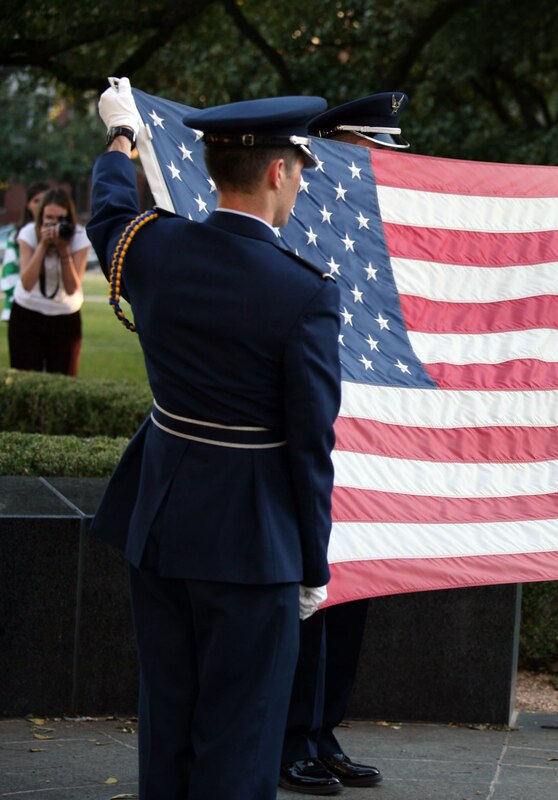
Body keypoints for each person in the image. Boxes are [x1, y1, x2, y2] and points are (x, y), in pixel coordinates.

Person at [87, 78, 341, 799]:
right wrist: (314, 566)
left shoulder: (153, 247)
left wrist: (120, 138)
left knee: (168, 722)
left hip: (161, 521)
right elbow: (309, 445)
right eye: (297, 172)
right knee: (241, 736)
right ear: (275, 172)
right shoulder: (305, 292)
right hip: (252, 545)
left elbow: (108, 212)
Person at [275, 91, 409, 796]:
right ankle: (290, 736)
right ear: (329, 150)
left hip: (372, 434)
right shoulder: (304, 217)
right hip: (314, 432)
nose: (380, 164)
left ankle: (323, 730)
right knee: (310, 589)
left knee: (351, 595)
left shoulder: (379, 228)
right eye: (370, 148)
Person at [10, 185, 90, 374]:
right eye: (49, 219)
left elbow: (72, 288)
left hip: (65, 315)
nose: (54, 225)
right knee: (25, 381)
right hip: (27, 313)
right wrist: (42, 246)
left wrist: (64, 251)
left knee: (63, 381)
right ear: (40, 218)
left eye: (60, 219)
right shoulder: (29, 232)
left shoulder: (79, 236)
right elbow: (27, 284)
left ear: (69, 218)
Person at [2, 181, 51, 323]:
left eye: (45, 200)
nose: (41, 205)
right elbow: (9, 269)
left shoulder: (62, 234)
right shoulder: (18, 235)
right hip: (24, 300)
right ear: (28, 204)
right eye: (36, 201)